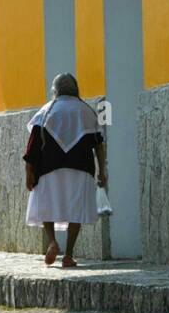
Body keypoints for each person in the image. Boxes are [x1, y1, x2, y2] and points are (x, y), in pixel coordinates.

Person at [23, 73, 107, 267]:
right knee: (76, 211)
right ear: (76, 89)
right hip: (81, 169)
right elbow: (98, 145)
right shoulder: (86, 111)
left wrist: (29, 172)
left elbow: (32, 147)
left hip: (48, 169)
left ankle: (52, 241)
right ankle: (68, 255)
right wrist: (102, 171)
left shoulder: (46, 111)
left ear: (55, 90)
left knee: (47, 205)